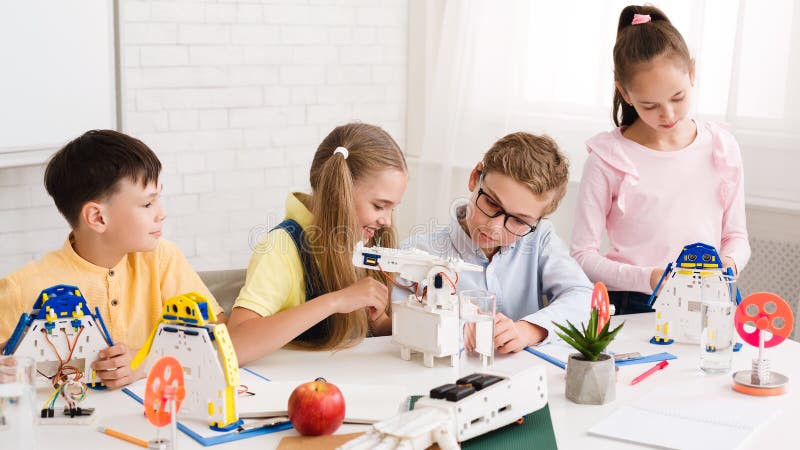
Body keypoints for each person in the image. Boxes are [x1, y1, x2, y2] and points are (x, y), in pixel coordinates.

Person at [0, 130, 222, 388]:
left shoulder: (162, 259)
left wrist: (144, 361)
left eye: (158, 198)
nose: (162, 214)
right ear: (97, 218)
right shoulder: (20, 288)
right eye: (147, 204)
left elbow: (218, 336)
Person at [570, 5, 750, 315]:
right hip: (636, 302)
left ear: (692, 72)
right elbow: (582, 256)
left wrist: (728, 267)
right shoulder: (608, 158)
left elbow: (736, 236)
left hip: (713, 298)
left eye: (678, 98)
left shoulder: (721, 146)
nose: (667, 114)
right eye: (650, 105)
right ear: (625, 93)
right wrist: (649, 278)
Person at [228, 123, 408, 365]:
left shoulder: (358, 240)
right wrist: (336, 301)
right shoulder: (281, 247)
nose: (386, 221)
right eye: (378, 206)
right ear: (339, 192)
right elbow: (234, 347)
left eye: (391, 208)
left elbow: (373, 327)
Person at [398, 132, 592, 354]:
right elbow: (402, 327)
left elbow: (584, 298)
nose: (495, 228)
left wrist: (530, 330)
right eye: (491, 203)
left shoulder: (540, 238)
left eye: (519, 220)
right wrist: (462, 330)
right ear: (475, 177)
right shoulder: (417, 254)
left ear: (537, 220)